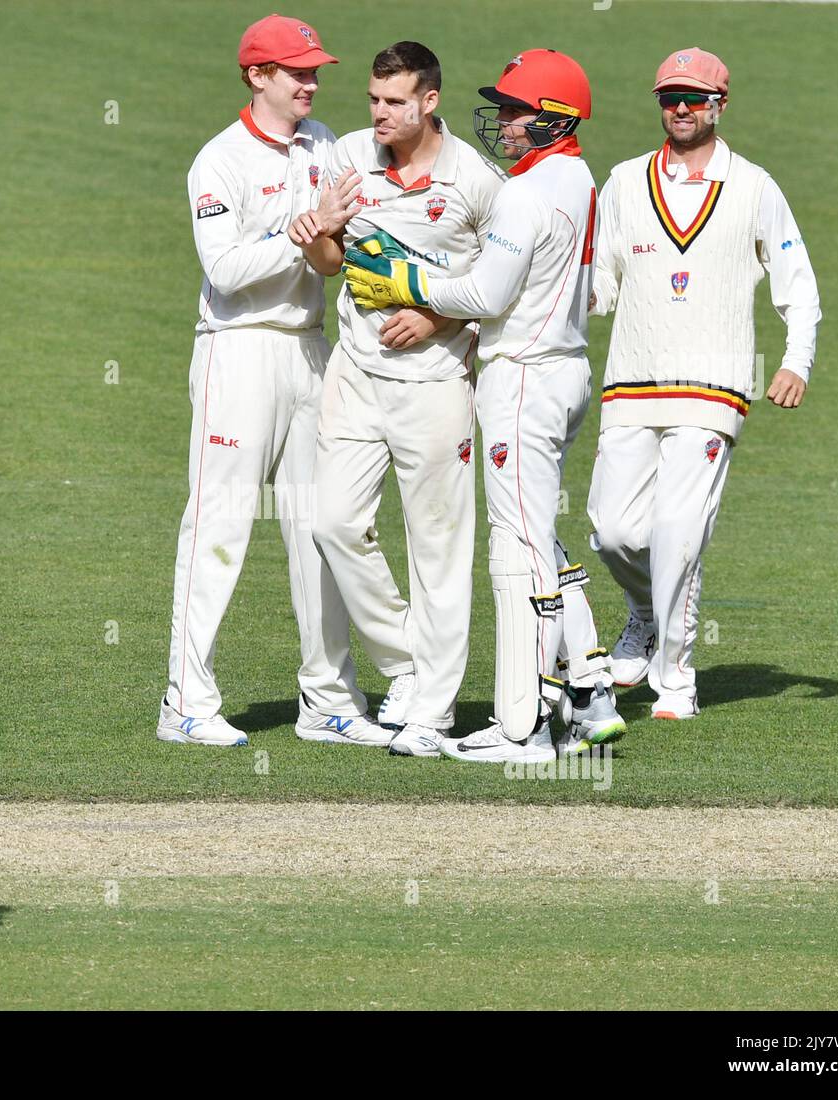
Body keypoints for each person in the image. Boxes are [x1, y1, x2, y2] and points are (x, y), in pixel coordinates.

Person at [342, 49, 627, 764]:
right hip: (560, 368)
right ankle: (586, 687)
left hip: (524, 375)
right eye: (501, 108)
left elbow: (486, 296)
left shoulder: (526, 196)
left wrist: (405, 281)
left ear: (556, 119)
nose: (502, 121)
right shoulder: (575, 175)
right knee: (533, 535)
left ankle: (523, 725)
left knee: (517, 547)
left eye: (516, 110)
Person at [159, 14, 383, 747]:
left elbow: (328, 257)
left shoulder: (323, 145)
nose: (312, 82)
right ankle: (186, 702)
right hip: (238, 349)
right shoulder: (218, 161)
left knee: (319, 525)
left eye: (315, 70)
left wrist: (323, 236)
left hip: (310, 348)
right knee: (220, 522)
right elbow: (224, 270)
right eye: (297, 72)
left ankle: (328, 701)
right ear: (257, 75)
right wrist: (304, 226)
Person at [588, 48, 821, 720]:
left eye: (693, 97)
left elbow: (798, 286)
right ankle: (645, 613)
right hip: (632, 380)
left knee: (678, 530)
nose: (680, 108)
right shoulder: (626, 181)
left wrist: (795, 360)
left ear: (721, 102)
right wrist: (571, 303)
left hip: (714, 386)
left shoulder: (753, 186)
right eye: (670, 97)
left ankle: (677, 677)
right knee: (612, 530)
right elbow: (601, 278)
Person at [287, 41, 502, 757]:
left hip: (437, 383)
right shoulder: (348, 157)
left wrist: (439, 317)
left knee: (437, 551)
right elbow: (328, 264)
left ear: (429, 101)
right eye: (374, 100)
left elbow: (507, 286)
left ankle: (431, 715)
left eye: (394, 102)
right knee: (333, 523)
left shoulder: (475, 180)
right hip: (354, 372)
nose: (378, 114)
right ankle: (407, 663)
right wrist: (321, 228)